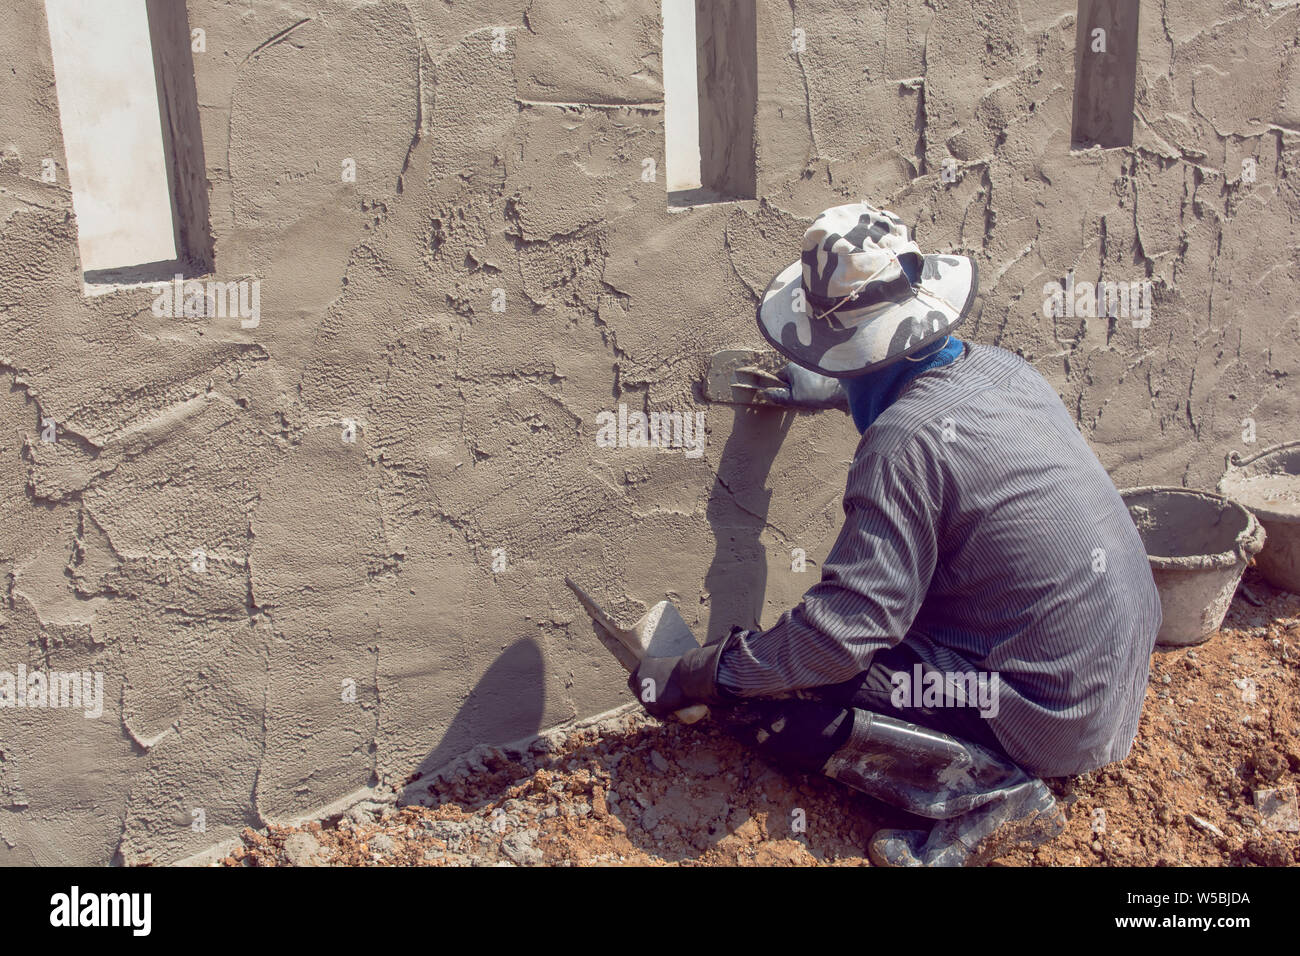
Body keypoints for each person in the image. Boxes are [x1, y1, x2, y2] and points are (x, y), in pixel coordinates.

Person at [629, 201, 1162, 866]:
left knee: (782, 704)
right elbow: (918, 390)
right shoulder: (1001, 369)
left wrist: (710, 673)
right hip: (1107, 676)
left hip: (1045, 715)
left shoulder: (901, 445)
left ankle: (992, 793)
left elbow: (839, 636)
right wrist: (823, 387)